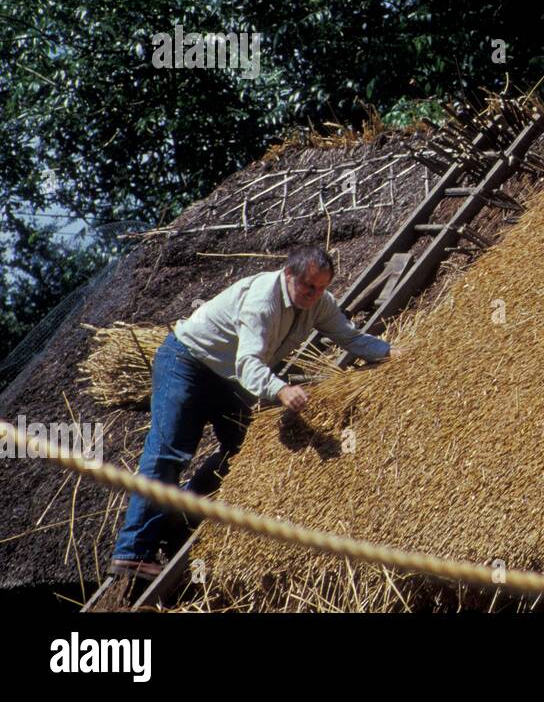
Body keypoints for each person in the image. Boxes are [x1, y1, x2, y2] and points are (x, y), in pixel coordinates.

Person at [110, 244, 399, 579]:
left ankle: (183, 514)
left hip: (225, 376)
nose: (314, 295)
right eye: (309, 286)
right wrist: (280, 388)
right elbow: (248, 364)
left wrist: (390, 352)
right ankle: (132, 552)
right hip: (187, 362)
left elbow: (350, 338)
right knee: (169, 449)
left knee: (242, 447)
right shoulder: (263, 302)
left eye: (322, 288)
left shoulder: (319, 303)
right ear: (289, 275)